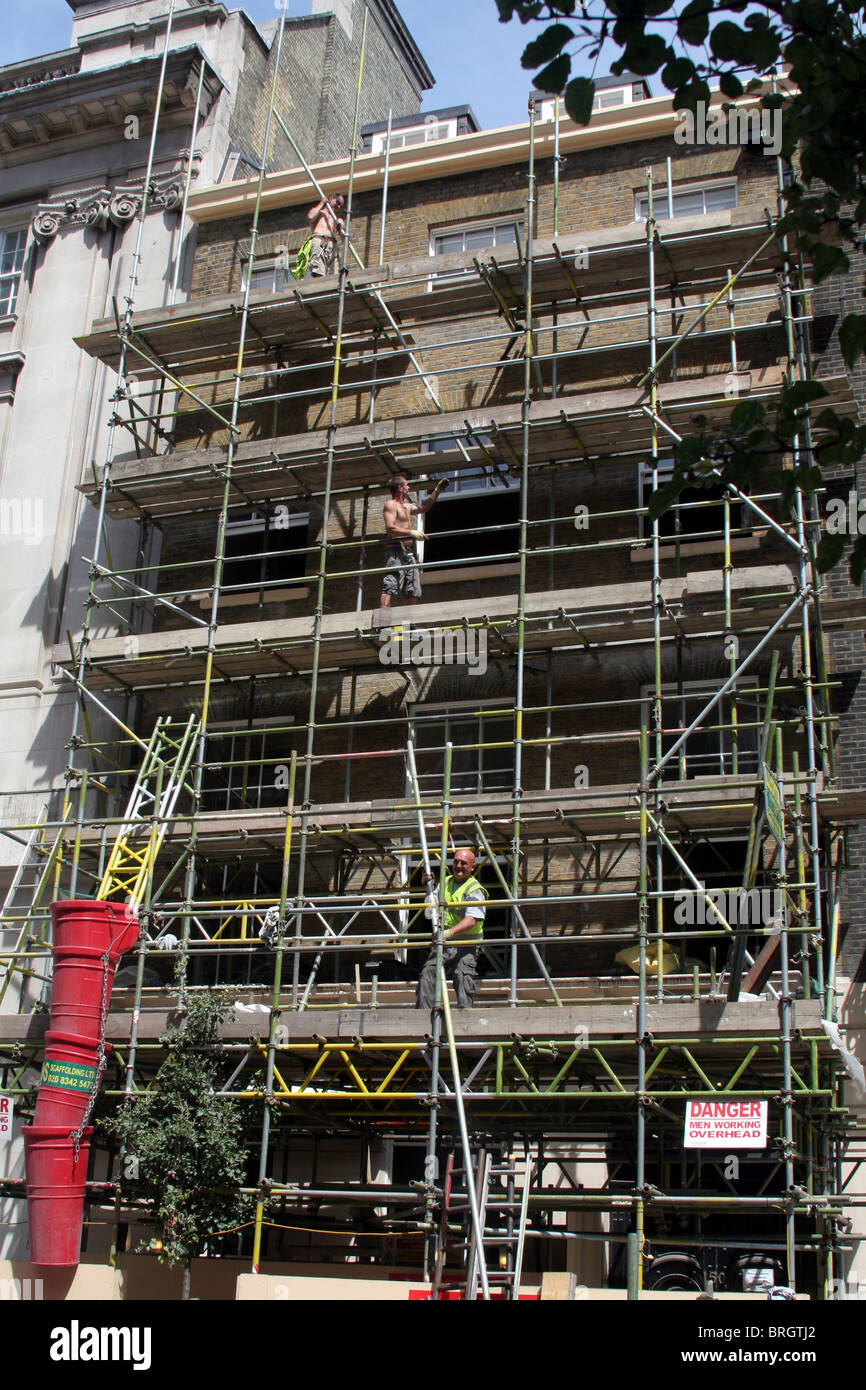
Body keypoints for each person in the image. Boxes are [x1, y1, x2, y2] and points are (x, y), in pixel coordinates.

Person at [417, 848, 487, 1010]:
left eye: (464, 863)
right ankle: (424, 1021)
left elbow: (471, 920)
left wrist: (448, 933)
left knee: (462, 977)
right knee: (428, 975)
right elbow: (429, 911)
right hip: (444, 943)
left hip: (466, 945)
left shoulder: (474, 889)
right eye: (456, 861)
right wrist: (427, 887)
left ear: (472, 868)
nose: (458, 866)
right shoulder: (446, 882)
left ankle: (464, 1020)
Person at [379, 474, 448, 609]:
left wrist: (437, 490)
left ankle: (409, 626)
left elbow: (424, 507)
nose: (409, 487)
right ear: (400, 488)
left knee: (413, 590)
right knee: (390, 586)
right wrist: (412, 533)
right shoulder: (391, 505)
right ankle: (384, 625)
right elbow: (390, 527)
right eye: (406, 485)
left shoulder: (406, 507)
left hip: (409, 554)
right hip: (395, 551)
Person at [306, 194, 345, 278]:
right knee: (318, 270)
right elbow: (310, 217)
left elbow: (345, 241)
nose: (338, 206)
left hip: (333, 245)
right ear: (331, 199)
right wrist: (321, 203)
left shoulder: (337, 220)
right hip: (320, 241)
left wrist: (342, 230)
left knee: (335, 273)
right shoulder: (319, 213)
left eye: (340, 205)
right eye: (337, 202)